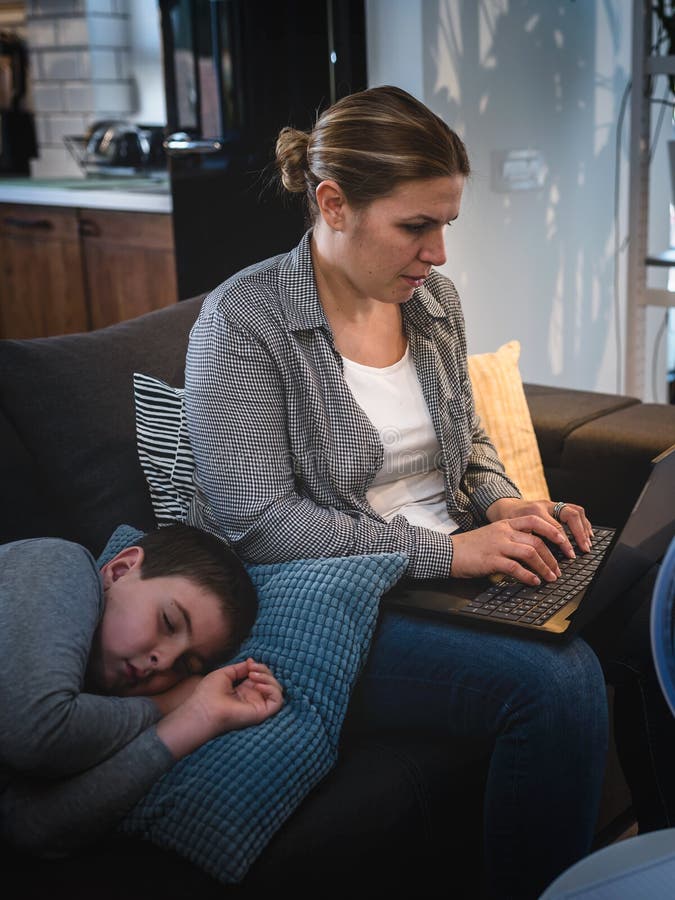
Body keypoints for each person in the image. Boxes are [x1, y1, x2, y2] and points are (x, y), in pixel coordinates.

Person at [180, 85, 660, 898]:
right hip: (323, 601)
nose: (437, 253)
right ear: (333, 203)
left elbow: (463, 438)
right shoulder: (243, 324)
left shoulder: (430, 302)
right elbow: (258, 525)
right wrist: (447, 551)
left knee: (652, 596)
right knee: (558, 683)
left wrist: (504, 503)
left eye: (444, 226)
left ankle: (651, 861)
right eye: (415, 226)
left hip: (445, 576)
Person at [0, 523, 284, 857]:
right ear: (121, 570)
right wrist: (167, 704)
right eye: (169, 622)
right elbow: (40, 734)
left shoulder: (93, 707)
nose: (163, 661)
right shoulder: (60, 564)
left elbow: (32, 826)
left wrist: (198, 717)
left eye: (185, 667)